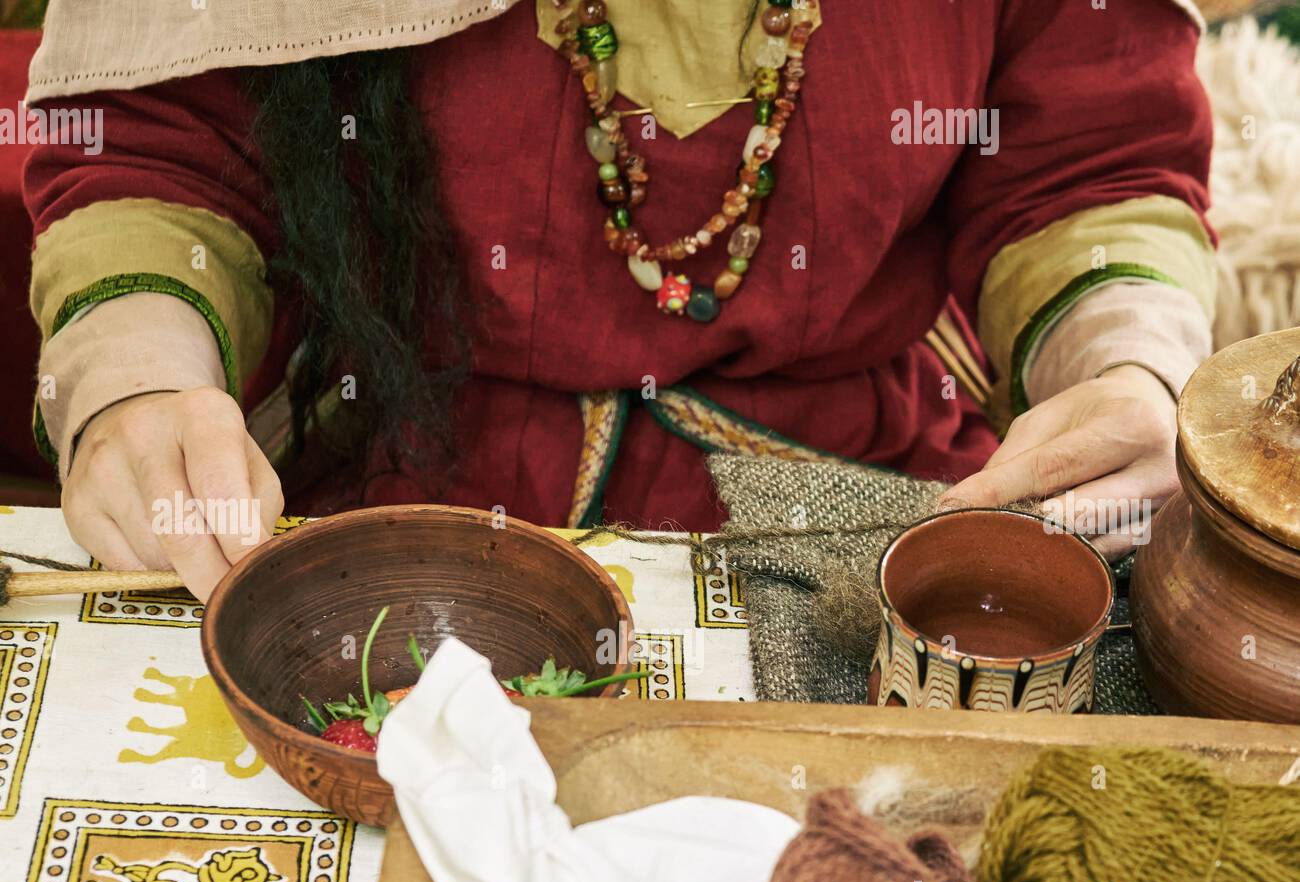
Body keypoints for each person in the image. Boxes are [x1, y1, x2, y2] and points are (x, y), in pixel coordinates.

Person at [23, 0, 1217, 599]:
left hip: (867, 512)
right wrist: (140, 379)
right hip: (389, 494)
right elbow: (166, 142)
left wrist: (1121, 368)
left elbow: (1089, 160)